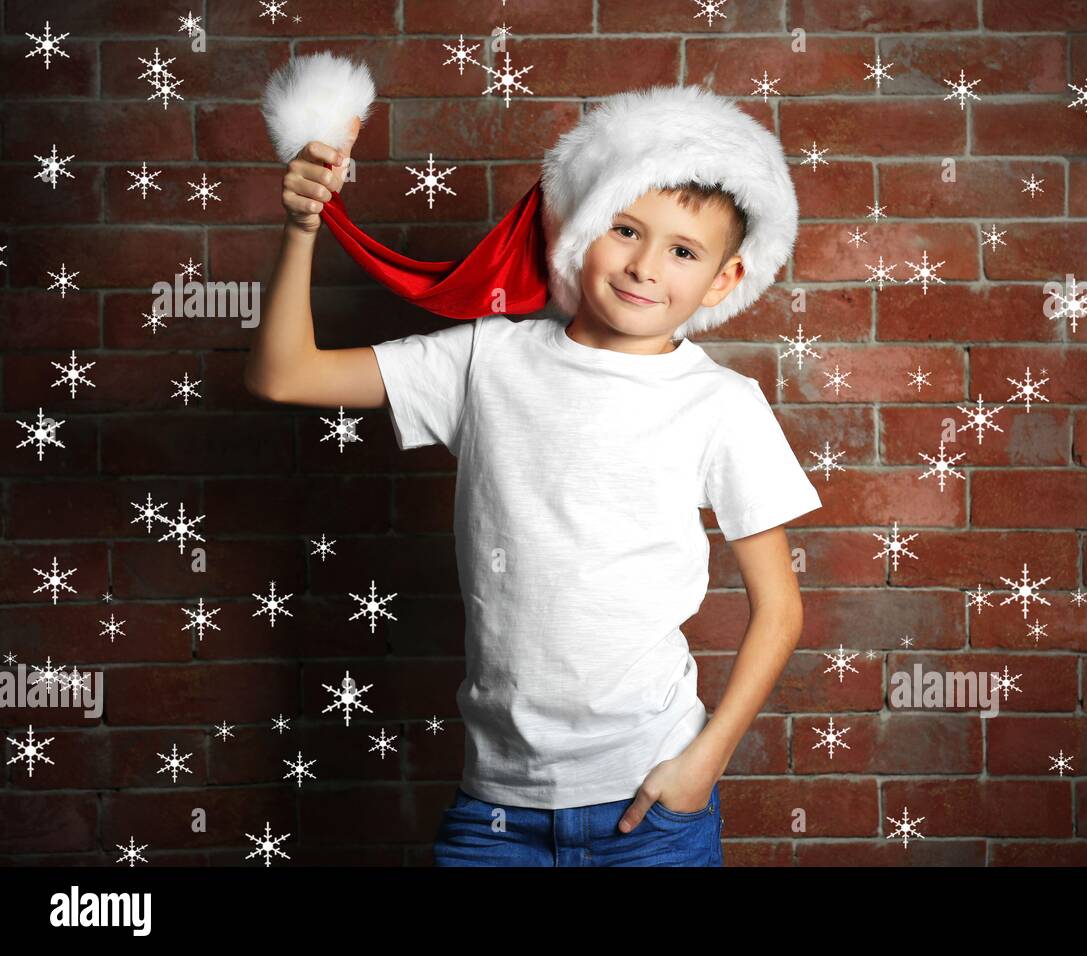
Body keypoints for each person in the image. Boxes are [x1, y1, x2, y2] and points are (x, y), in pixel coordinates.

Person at [246, 74, 821, 866]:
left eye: (682, 250)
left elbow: (781, 611)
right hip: (497, 809)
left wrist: (704, 763)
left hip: (650, 801)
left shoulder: (723, 404)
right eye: (625, 229)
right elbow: (285, 375)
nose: (646, 266)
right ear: (580, 229)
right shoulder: (487, 357)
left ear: (724, 279)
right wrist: (303, 226)